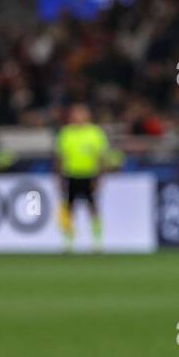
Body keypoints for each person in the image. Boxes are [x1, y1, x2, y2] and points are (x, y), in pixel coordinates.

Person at [54, 102, 109, 252]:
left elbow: (100, 158)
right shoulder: (66, 133)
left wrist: (99, 178)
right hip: (71, 175)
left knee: (93, 208)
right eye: (76, 113)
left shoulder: (95, 133)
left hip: (89, 175)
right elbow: (60, 157)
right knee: (69, 209)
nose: (78, 116)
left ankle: (98, 241)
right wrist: (59, 178)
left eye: (81, 113)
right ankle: (68, 241)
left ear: (88, 115)